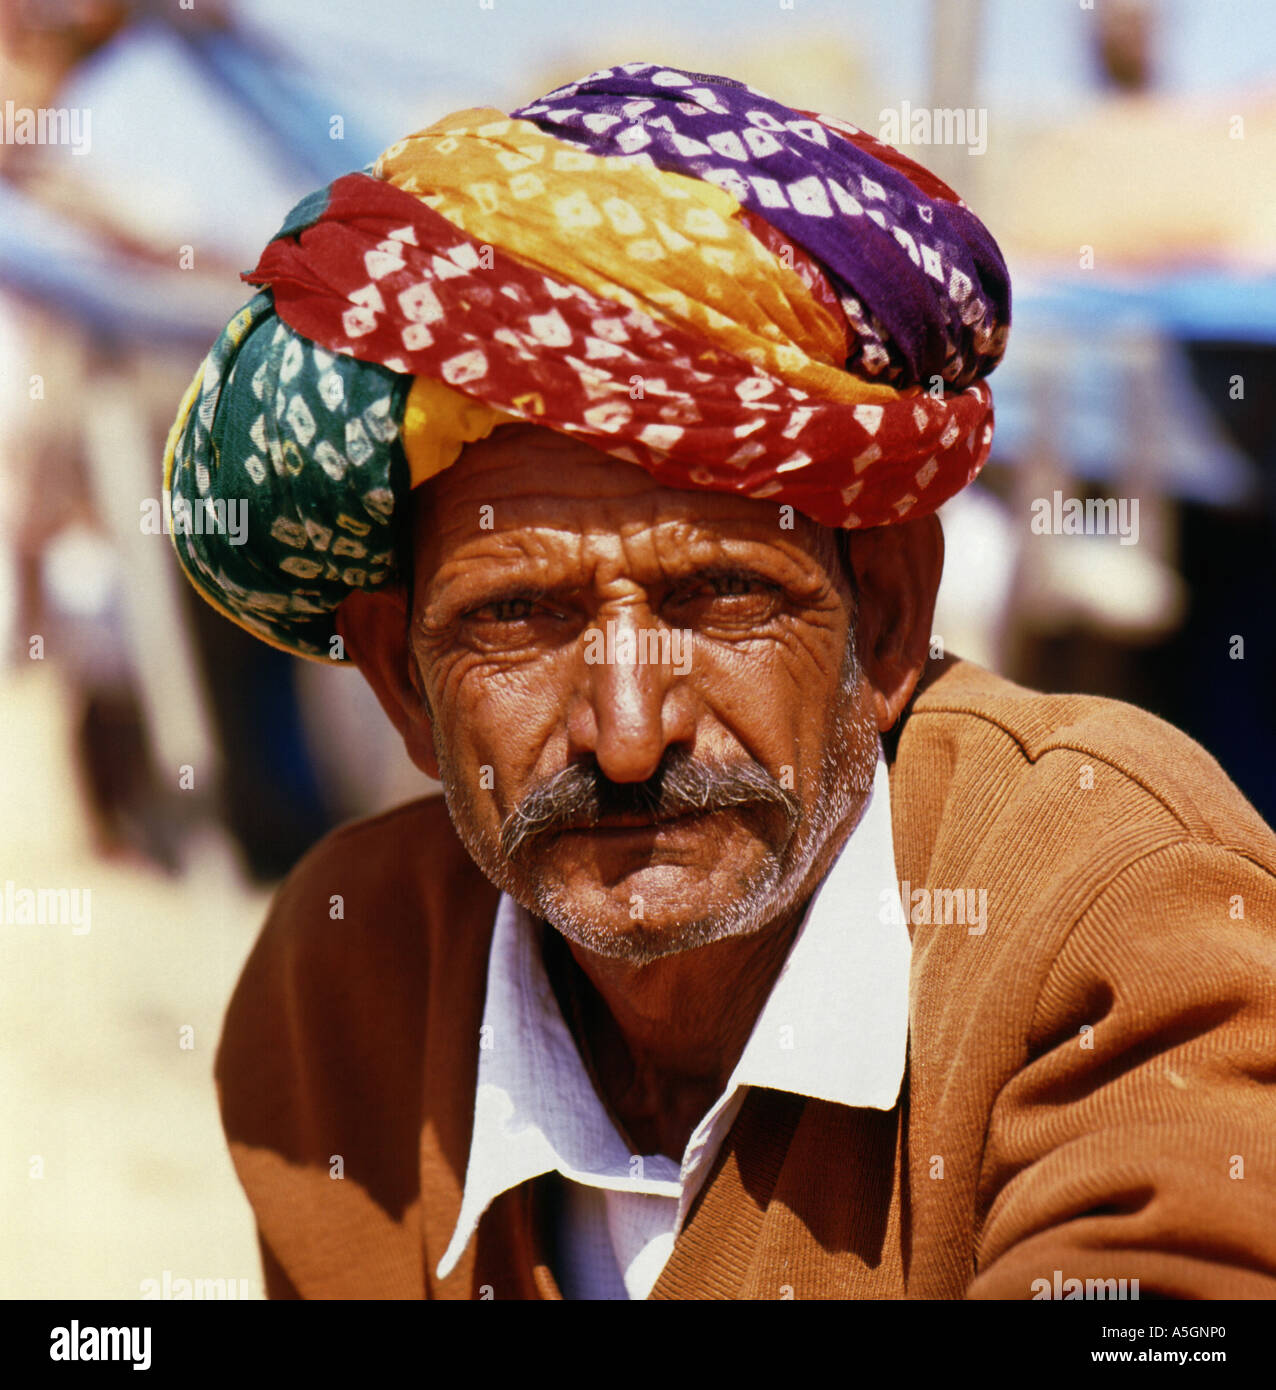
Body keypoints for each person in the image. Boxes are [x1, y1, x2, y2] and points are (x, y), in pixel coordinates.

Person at [165, 62, 1276, 1299]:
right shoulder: (348, 986)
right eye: (518, 618)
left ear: (889, 615)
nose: (628, 736)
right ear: (402, 684)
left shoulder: (1112, 917)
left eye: (720, 597)